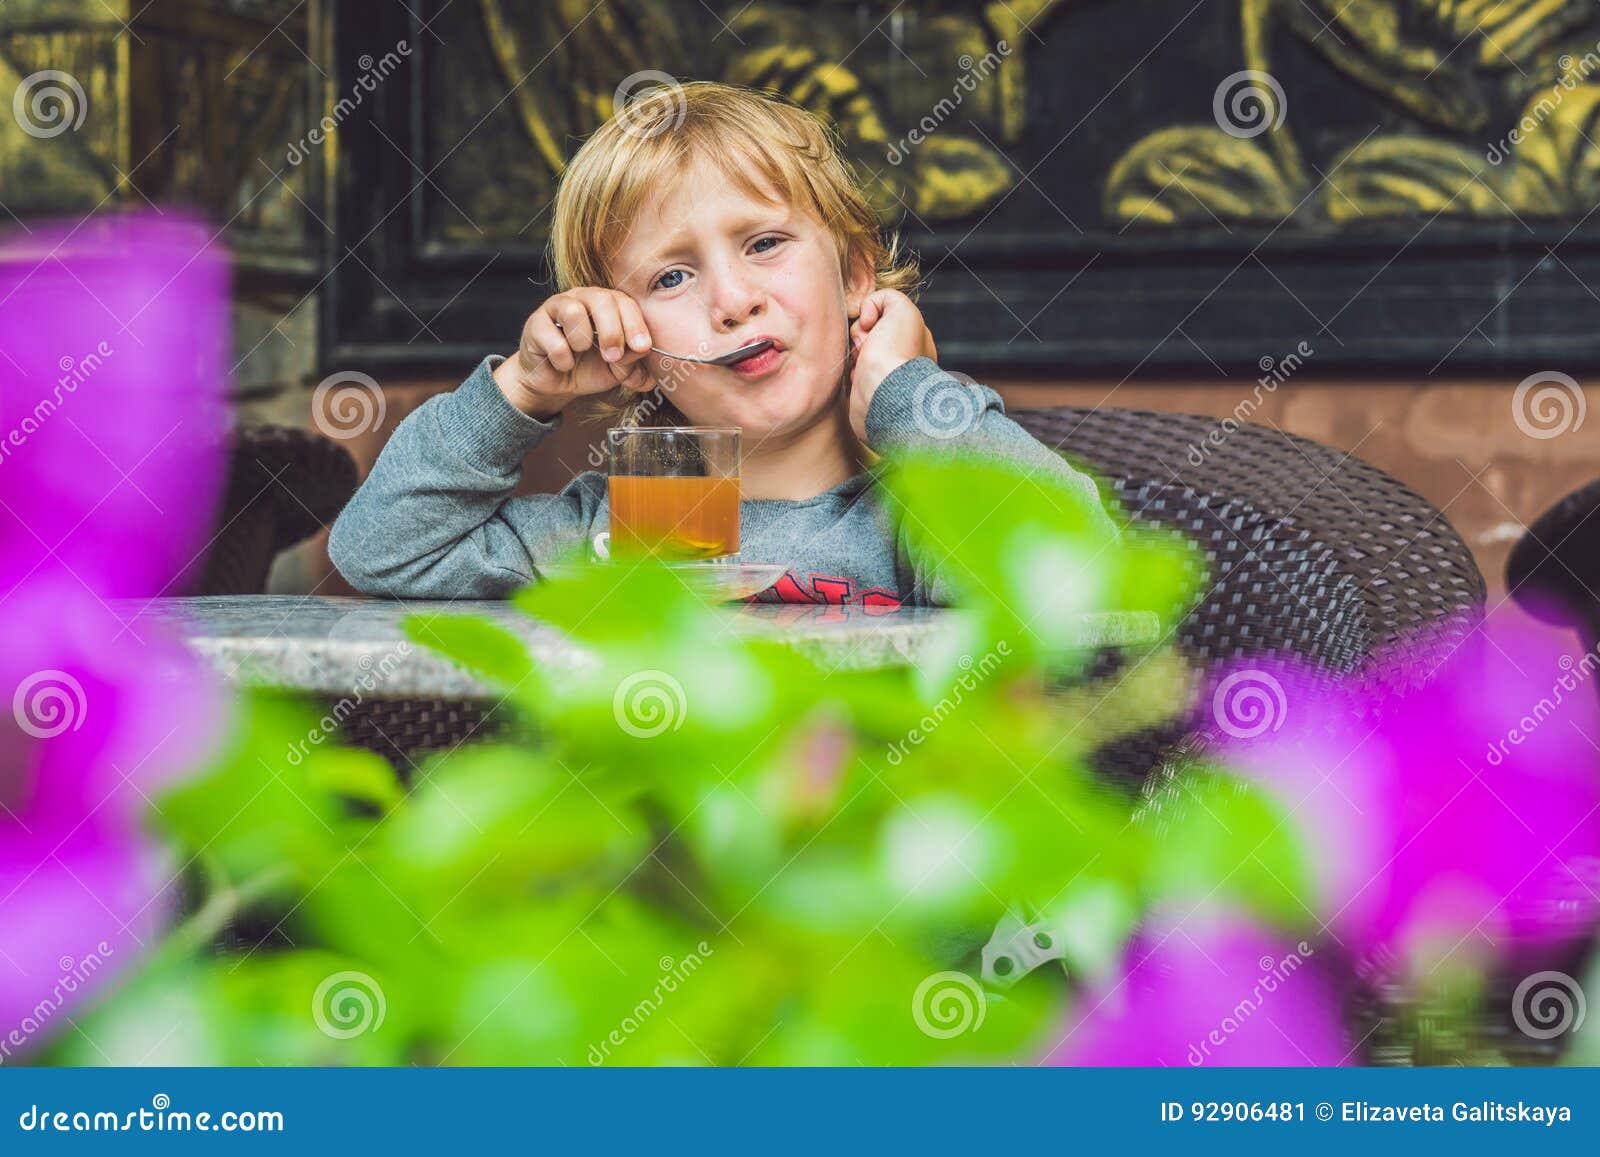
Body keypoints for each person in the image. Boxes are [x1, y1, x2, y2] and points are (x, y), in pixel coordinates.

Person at [328, 81, 1116, 607]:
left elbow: (1071, 573)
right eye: (670, 279)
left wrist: (910, 391)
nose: (733, 301)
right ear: (629, 347)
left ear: (853, 278)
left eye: (765, 242)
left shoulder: (918, 519)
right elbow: (380, 551)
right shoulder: (614, 536)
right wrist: (524, 391)